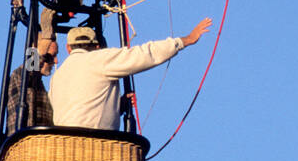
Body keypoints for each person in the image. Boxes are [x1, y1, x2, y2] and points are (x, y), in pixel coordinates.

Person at [48, 18, 213, 130]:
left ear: (69, 48)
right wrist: (184, 40)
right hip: (96, 145)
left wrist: (117, 106)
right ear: (97, 46)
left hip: (64, 148)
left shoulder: (57, 76)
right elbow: (144, 54)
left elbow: (77, 107)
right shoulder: (99, 60)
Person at [6, 5, 58, 133]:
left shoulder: (38, 85)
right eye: (51, 57)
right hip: (27, 144)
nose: (55, 61)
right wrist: (46, 37)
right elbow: (31, 67)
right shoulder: (20, 75)